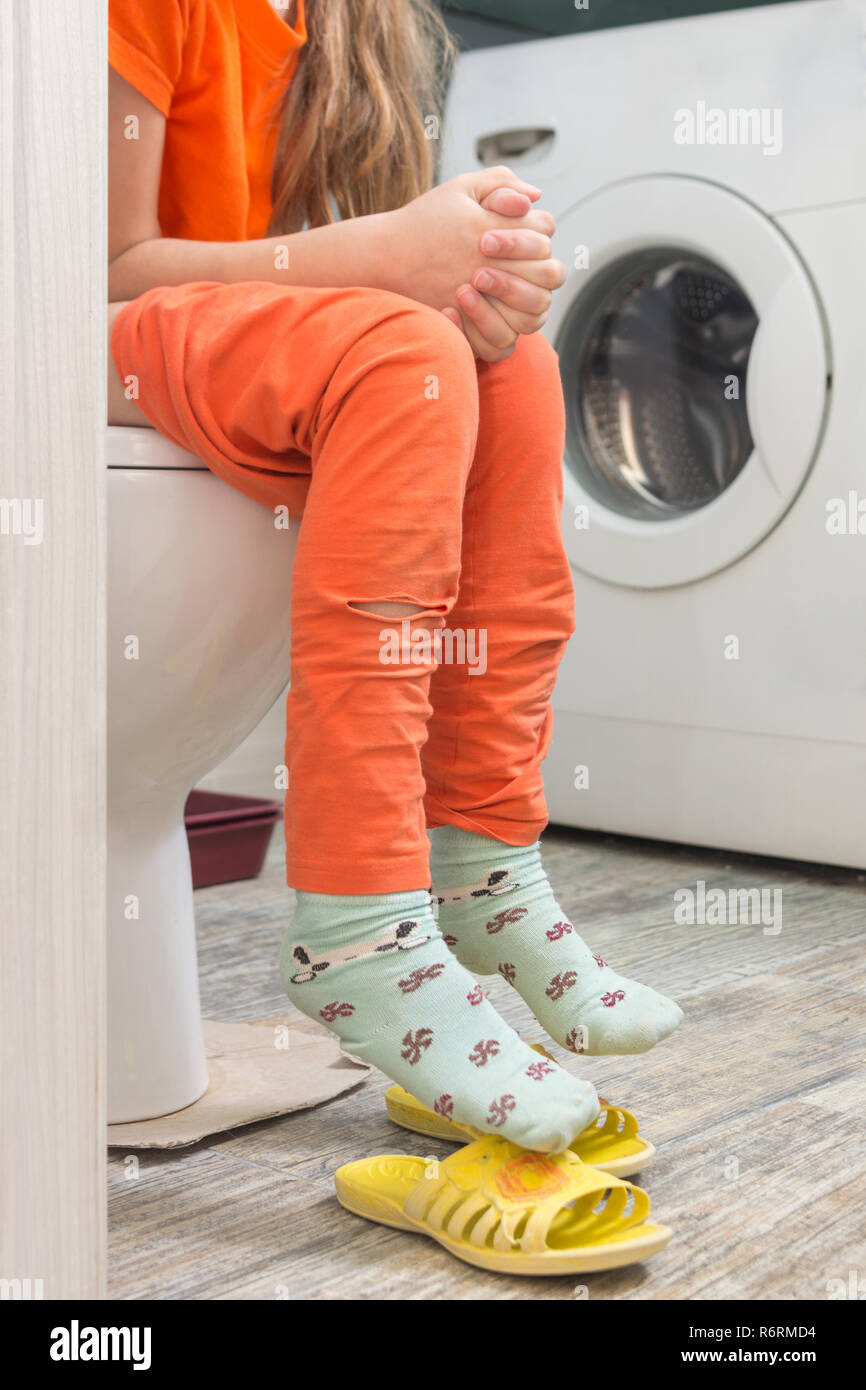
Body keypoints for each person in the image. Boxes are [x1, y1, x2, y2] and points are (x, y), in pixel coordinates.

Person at [108, 0, 681, 1156]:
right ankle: (360, 931)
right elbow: (104, 266)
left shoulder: (355, 24)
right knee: (405, 349)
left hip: (220, 348)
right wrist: (373, 261)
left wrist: (466, 278)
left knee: (504, 362)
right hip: (77, 328)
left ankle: (478, 859)